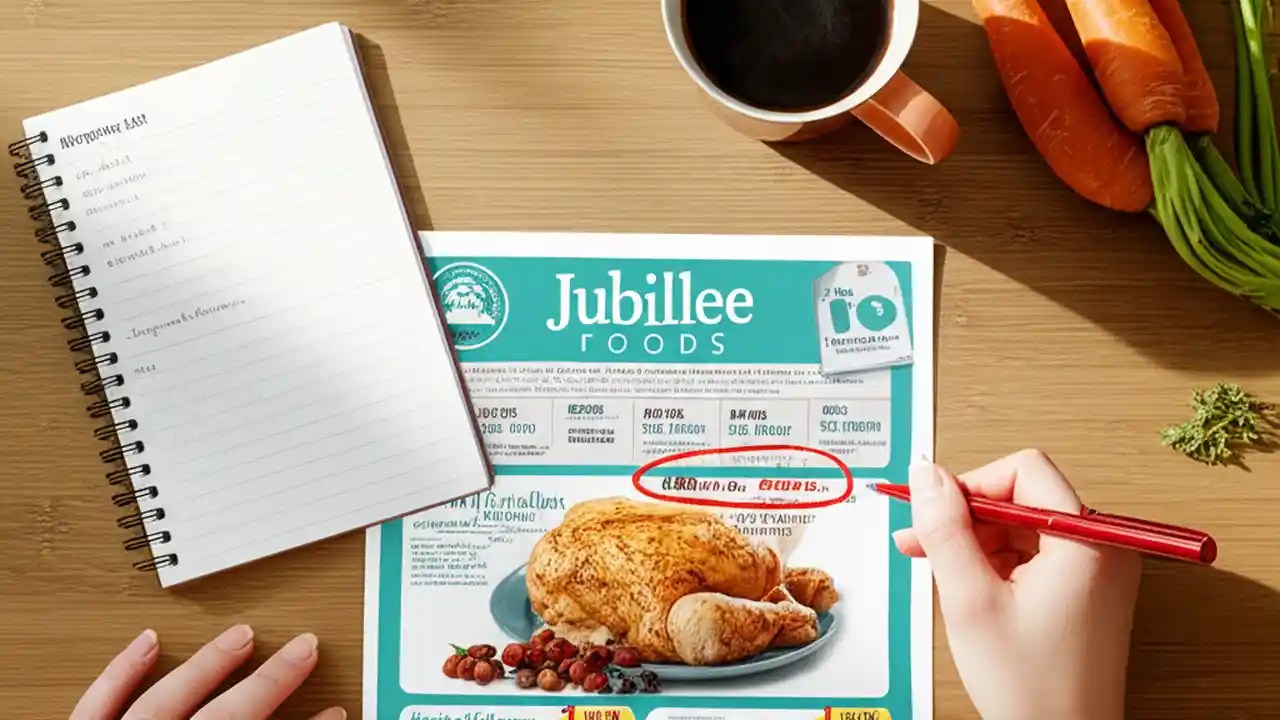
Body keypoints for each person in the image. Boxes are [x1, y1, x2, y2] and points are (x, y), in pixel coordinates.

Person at [71, 449, 1142, 720]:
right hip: (627, 584)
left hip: (639, 575)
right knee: (695, 613)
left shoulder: (707, 564)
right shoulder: (578, 586)